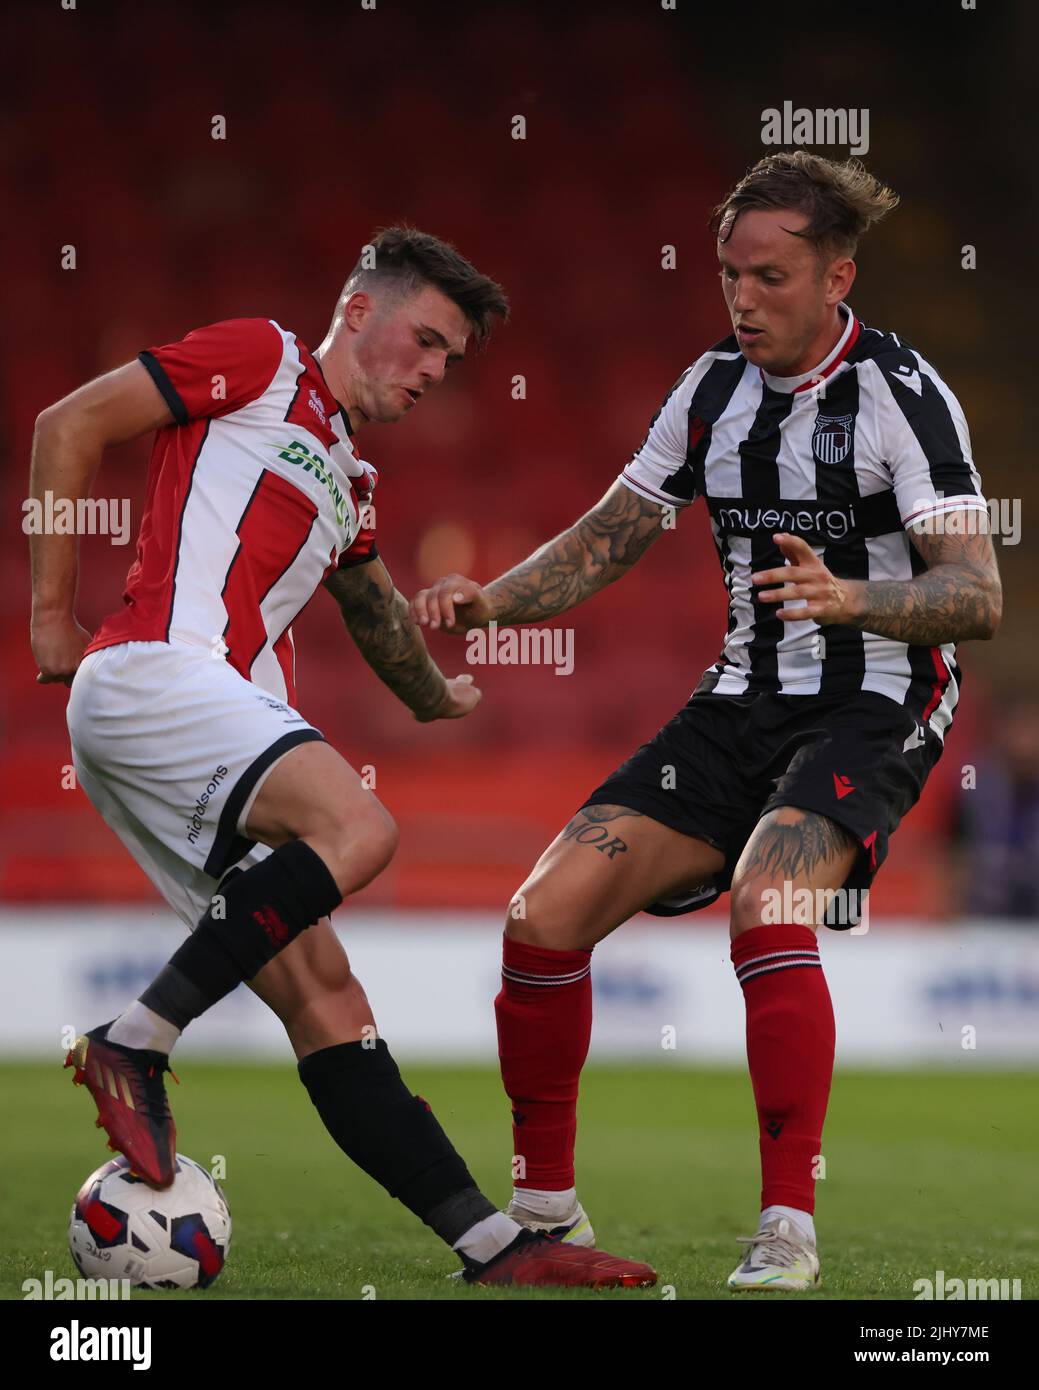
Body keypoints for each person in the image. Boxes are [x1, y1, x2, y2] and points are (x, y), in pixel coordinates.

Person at [411, 154, 1003, 1290]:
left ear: (837, 276)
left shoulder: (902, 394)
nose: (741, 298)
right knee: (540, 918)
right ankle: (546, 1213)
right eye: (730, 273)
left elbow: (976, 595)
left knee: (767, 900)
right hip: (737, 701)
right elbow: (611, 533)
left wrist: (854, 597)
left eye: (769, 277)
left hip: (875, 699)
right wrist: (495, 599)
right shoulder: (709, 390)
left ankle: (787, 1228)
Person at [29, 226, 655, 1290]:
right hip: (153, 675)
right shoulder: (262, 358)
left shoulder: (351, 485)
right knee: (359, 827)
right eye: (422, 342)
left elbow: (375, 621)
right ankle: (133, 1042)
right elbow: (67, 422)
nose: (429, 374)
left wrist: (439, 695)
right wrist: (51, 614)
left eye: (448, 363)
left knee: (328, 999)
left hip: (181, 728)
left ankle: (494, 1248)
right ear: (358, 312)